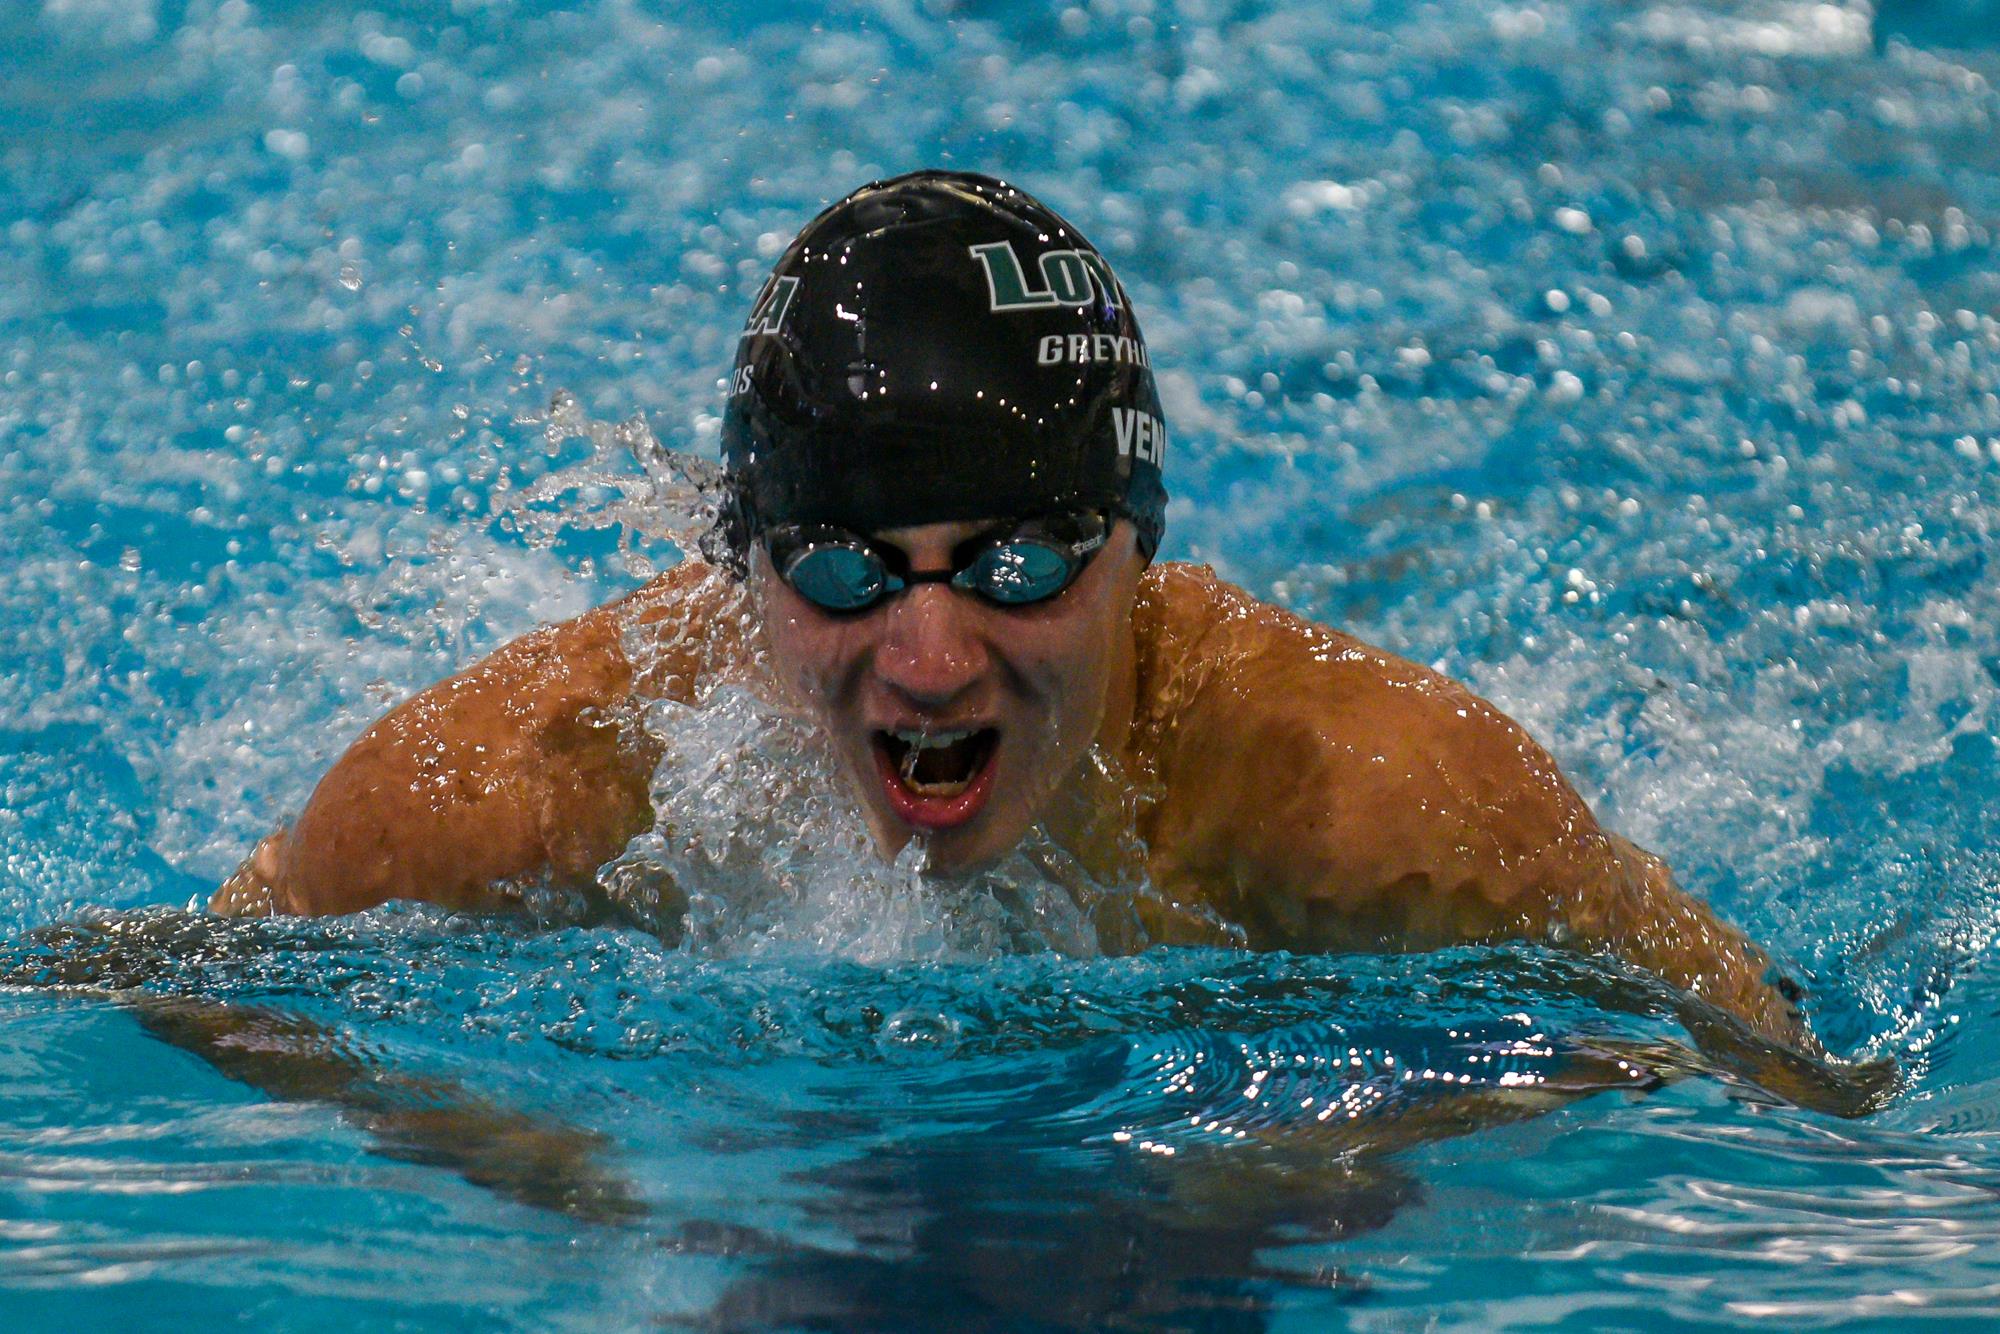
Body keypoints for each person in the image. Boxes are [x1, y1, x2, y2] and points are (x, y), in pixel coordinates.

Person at [212, 170, 1814, 1051]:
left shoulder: (1379, 809)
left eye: (1015, 567)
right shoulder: (516, 792)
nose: (926, 659)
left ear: (1133, 546)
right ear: (744, 570)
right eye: (843, 569)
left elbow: (1769, 1059)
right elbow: (198, 980)